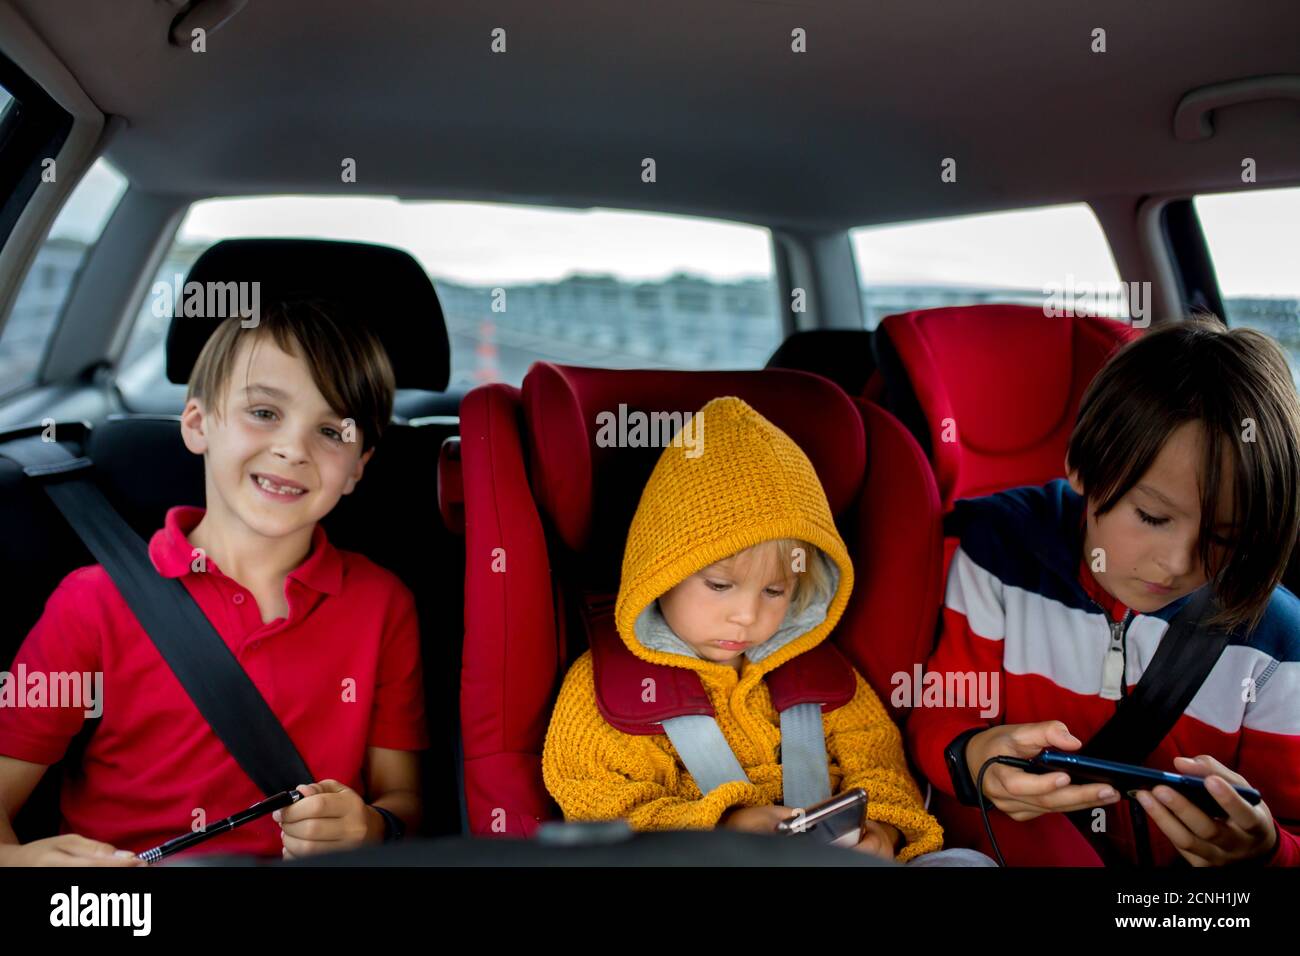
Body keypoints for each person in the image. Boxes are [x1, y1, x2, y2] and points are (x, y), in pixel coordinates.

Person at [0, 300, 428, 865]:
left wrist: (372, 826)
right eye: (265, 413)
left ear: (357, 467)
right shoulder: (94, 602)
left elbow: (406, 801)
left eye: (331, 430)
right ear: (198, 424)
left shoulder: (382, 605)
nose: (293, 449)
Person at [907, 316, 1300, 866]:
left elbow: (1290, 826)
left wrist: (1266, 851)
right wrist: (975, 760)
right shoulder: (997, 556)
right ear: (1083, 466)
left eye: (1223, 537)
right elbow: (941, 715)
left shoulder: (1277, 643)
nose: (1179, 562)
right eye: (1152, 516)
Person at [543, 395, 991, 864]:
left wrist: (882, 830)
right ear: (661, 573)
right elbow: (601, 810)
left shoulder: (823, 676)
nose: (746, 615)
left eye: (774, 592)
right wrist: (726, 826)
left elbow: (881, 766)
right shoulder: (608, 691)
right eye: (720, 585)